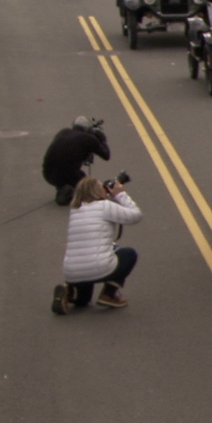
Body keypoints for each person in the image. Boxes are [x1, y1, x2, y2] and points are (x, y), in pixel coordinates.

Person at [52, 176, 143, 314]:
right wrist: (120, 194)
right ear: (95, 191)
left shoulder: (75, 209)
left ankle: (69, 292)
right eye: (102, 188)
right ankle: (109, 294)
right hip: (99, 267)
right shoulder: (104, 206)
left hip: (72, 272)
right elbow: (136, 215)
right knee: (128, 254)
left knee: (83, 302)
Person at [43, 117, 111, 206]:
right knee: (85, 182)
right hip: (68, 175)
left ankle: (63, 188)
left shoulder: (63, 132)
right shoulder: (89, 139)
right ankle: (71, 192)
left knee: (65, 168)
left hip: (48, 174)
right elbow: (106, 155)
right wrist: (102, 139)